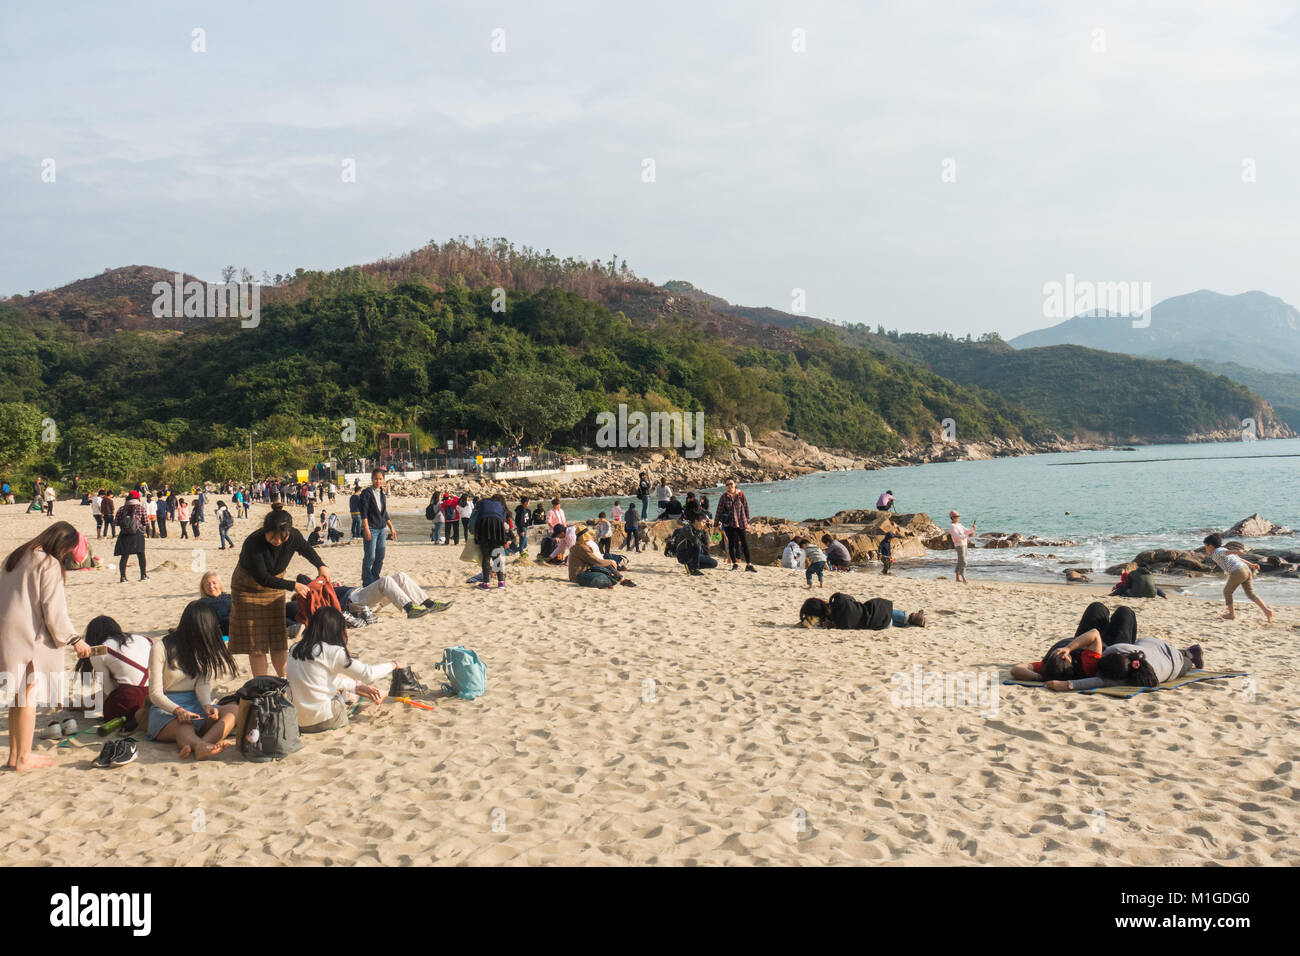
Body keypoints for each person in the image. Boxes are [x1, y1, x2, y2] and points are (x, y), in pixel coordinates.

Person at [0, 523, 90, 770]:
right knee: (29, 695)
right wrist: (75, 639)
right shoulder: (47, 563)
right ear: (62, 545)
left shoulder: (15, 555)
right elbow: (54, 611)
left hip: (7, 631)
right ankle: (24, 757)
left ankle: (14, 755)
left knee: (17, 698)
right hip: (30, 634)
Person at [229, 509, 331, 678]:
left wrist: (321, 565)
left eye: (282, 537)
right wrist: (293, 585)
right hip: (247, 589)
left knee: (278, 639)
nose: (277, 541)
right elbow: (262, 578)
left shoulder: (293, 536)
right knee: (256, 643)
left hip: (275, 588)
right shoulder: (253, 542)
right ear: (265, 530)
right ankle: (262, 683)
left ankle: (284, 679)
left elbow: (307, 550)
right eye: (272, 537)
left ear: (288, 532)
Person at [147, 602, 240, 759]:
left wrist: (207, 705)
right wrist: (178, 711)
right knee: (185, 724)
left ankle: (202, 745)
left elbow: (202, 684)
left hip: (196, 704)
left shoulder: (202, 648)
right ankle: (199, 745)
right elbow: (155, 694)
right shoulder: (160, 647)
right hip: (167, 708)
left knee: (235, 710)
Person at [287, 607, 401, 733]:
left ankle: (369, 692)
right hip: (327, 719)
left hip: (300, 722)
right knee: (346, 684)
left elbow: (318, 680)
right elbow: (368, 674)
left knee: (340, 679)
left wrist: (359, 688)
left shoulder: (295, 648)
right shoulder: (333, 651)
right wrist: (393, 664)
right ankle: (376, 693)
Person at [1009, 602, 1139, 683]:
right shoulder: (1087, 664)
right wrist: (1068, 648)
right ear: (1068, 658)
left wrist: (1040, 678)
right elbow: (1094, 634)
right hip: (1108, 647)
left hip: (1085, 642)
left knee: (1096, 607)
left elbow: (1016, 670)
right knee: (1124, 612)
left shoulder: (1047, 666)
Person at [1042, 632, 1204, 692]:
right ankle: (1188, 651)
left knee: (1188, 663)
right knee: (1180, 656)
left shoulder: (1123, 677)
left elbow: (1101, 682)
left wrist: (1068, 685)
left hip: (1166, 658)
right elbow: (1100, 680)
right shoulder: (1118, 650)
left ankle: (1190, 652)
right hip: (1153, 648)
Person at [82, 615, 151, 732]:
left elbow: (109, 690)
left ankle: (79, 704)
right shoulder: (144, 639)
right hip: (155, 698)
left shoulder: (98, 650)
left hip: (130, 702)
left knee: (106, 701)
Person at [1204, 533, 1273, 623]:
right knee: (1250, 594)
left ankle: (1231, 614)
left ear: (1211, 546)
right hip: (1246, 569)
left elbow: (1227, 553)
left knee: (1227, 591)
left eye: (1206, 546)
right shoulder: (1223, 549)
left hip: (1237, 571)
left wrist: (1236, 551)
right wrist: (1252, 565)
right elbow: (1238, 558)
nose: (1205, 549)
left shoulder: (1216, 552)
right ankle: (1267, 611)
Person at [345, 571, 451, 619]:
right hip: (353, 600)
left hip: (363, 596)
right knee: (385, 580)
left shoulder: (333, 586)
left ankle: (430, 604)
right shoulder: (331, 589)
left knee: (401, 576)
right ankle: (410, 609)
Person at [798, 595, 925, 629]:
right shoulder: (838, 599)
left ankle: (908, 621)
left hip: (881, 626)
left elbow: (809, 623)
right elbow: (852, 599)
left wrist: (807, 620)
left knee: (887, 620)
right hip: (877, 613)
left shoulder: (831, 623)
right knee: (877, 608)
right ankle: (911, 617)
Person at [359, 470, 396, 587]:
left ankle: (375, 578)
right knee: (370, 556)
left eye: (380, 479)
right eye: (376, 479)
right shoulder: (366, 493)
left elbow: (384, 514)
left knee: (380, 555)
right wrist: (366, 528)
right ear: (372, 479)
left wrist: (391, 528)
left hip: (381, 529)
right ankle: (366, 581)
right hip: (371, 529)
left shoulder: (382, 494)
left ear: (383, 480)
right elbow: (363, 512)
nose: (378, 481)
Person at [568, 527, 635, 588]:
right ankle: (616, 580)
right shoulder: (582, 547)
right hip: (579, 576)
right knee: (605, 576)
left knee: (606, 572)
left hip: (576, 575)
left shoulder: (577, 546)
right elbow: (596, 561)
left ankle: (616, 579)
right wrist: (610, 561)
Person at [473, 494, 510, 590]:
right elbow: (503, 521)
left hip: (484, 524)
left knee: (486, 556)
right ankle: (501, 582)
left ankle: (486, 584)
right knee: (496, 555)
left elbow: (474, 517)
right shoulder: (500, 506)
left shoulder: (481, 503)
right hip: (497, 525)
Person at [114, 491, 150, 582]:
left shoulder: (122, 509)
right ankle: (143, 576)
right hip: (137, 533)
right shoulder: (141, 508)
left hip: (124, 534)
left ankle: (123, 577)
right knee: (141, 555)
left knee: (124, 556)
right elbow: (146, 522)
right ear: (138, 499)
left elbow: (116, 522)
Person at [197, 571, 232, 635]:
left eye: (214, 583)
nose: (211, 586)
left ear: (220, 584)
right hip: (218, 636)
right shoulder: (201, 604)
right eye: (207, 584)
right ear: (203, 588)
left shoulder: (230, 597)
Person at [948, 510, 976, 584]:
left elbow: (967, 531)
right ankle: (963, 577)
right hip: (959, 545)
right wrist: (968, 535)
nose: (957, 518)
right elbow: (957, 537)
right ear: (952, 518)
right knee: (963, 561)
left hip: (964, 544)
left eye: (958, 516)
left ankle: (957, 578)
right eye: (956, 516)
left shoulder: (959, 525)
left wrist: (973, 529)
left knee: (960, 561)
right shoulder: (952, 526)